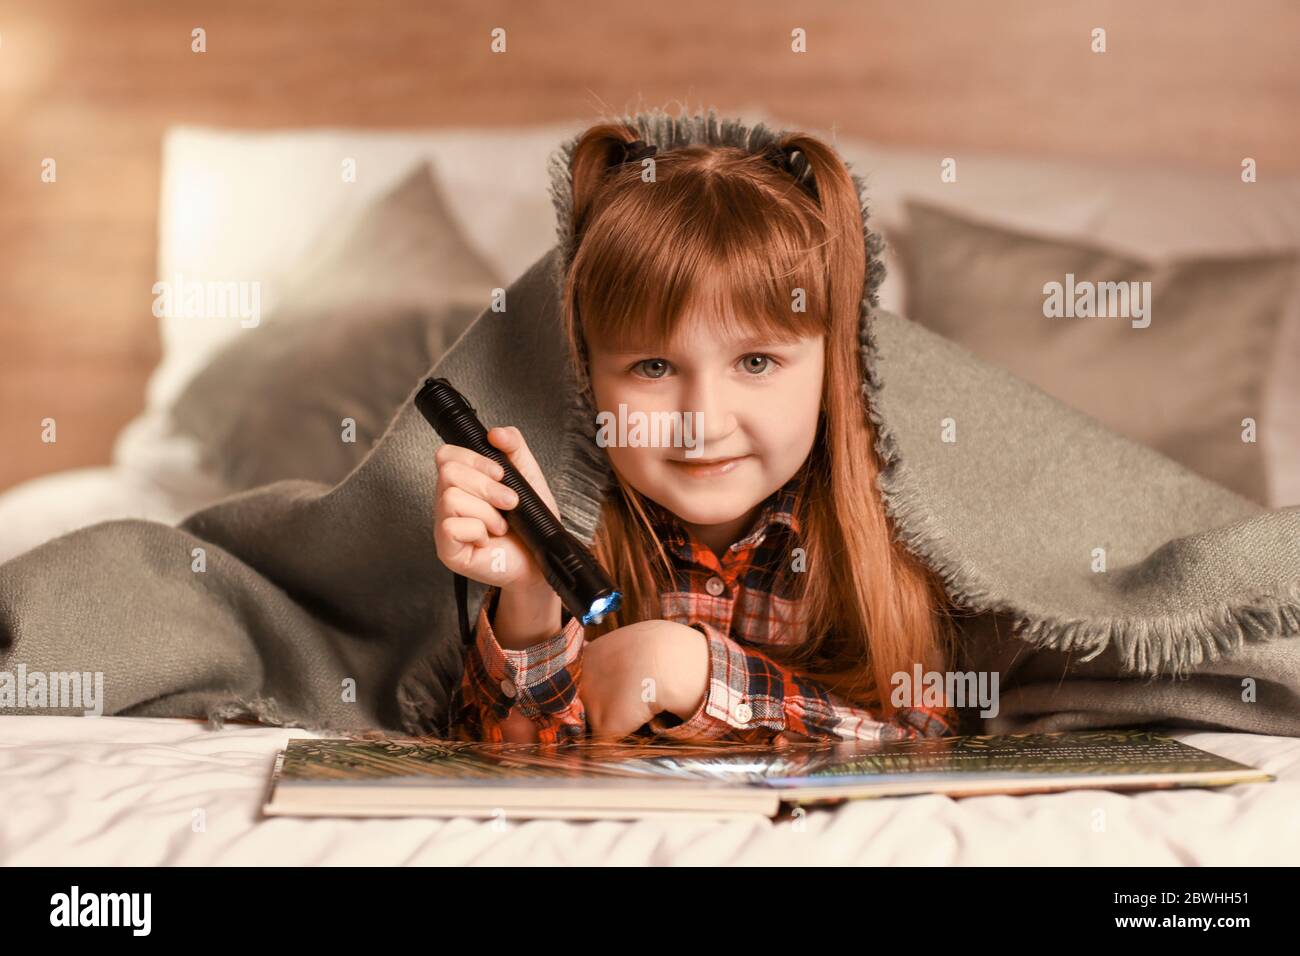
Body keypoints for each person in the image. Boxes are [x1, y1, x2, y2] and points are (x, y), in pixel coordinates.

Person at [433, 121, 958, 745]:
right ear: (585, 377)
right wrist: (530, 593)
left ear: (834, 369)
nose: (703, 423)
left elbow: (930, 744)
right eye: (653, 367)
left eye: (756, 363)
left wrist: (701, 673)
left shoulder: (893, 529)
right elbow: (506, 764)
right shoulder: (579, 512)